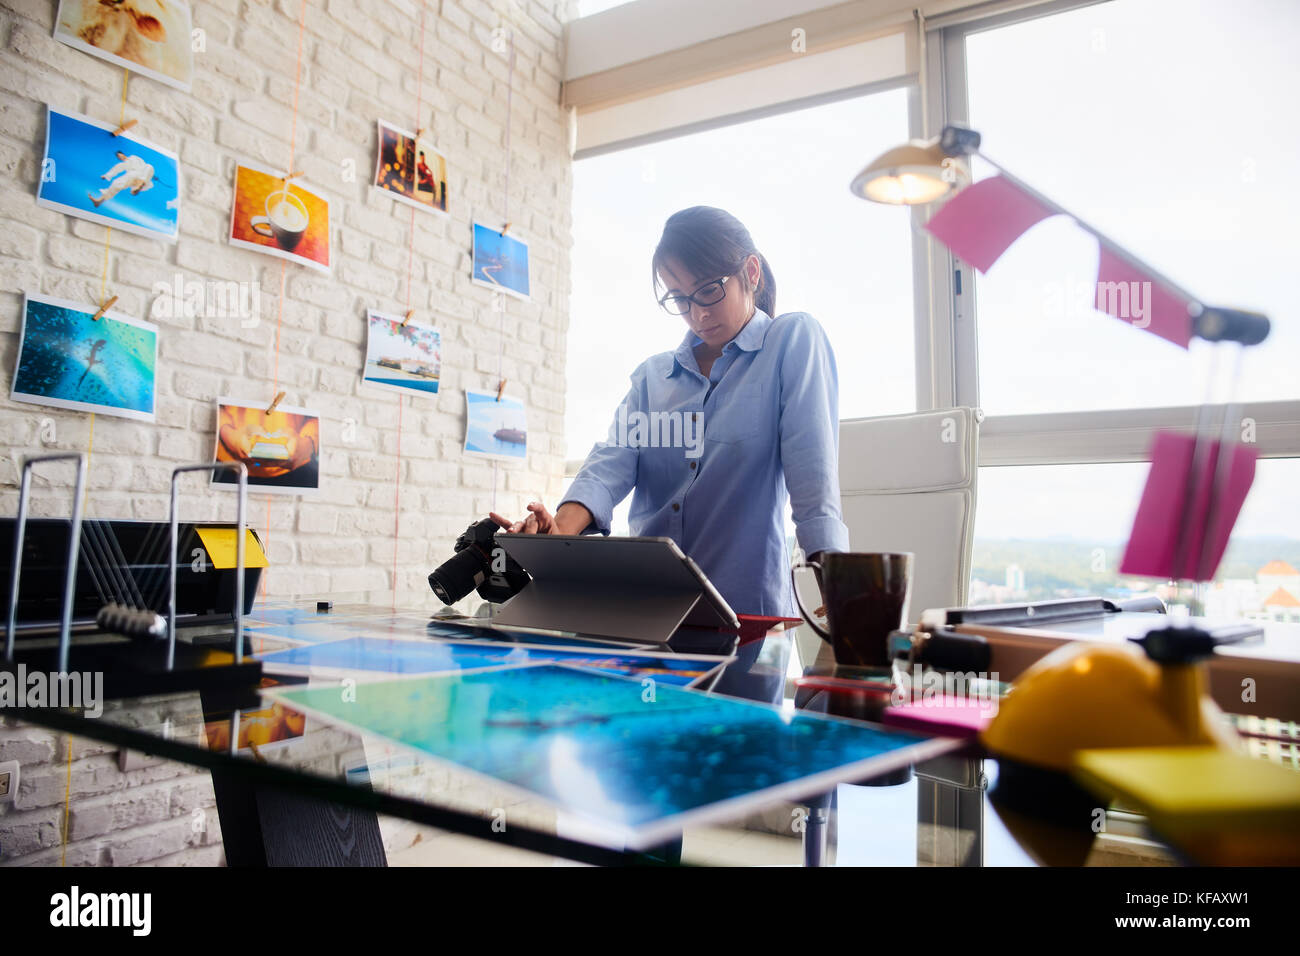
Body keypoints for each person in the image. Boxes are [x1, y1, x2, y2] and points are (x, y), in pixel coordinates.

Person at [491, 205, 848, 618]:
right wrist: (557, 534)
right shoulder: (652, 378)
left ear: (751, 272)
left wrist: (843, 601)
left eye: (710, 290)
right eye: (679, 299)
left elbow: (814, 483)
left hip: (746, 618)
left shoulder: (789, 342)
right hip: (648, 611)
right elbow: (607, 469)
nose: (698, 314)